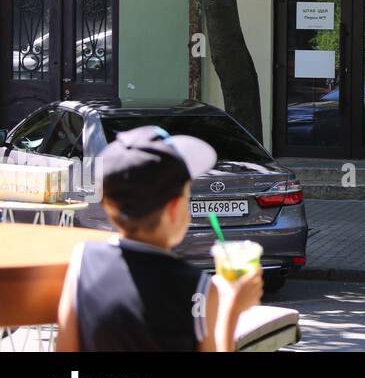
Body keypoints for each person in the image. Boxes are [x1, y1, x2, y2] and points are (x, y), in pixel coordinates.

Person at [56, 126, 263, 351]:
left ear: (107, 205)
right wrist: (232, 308)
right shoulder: (199, 288)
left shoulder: (82, 262)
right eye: (187, 197)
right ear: (174, 210)